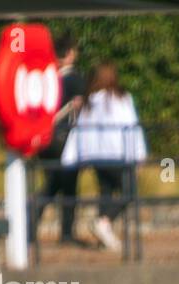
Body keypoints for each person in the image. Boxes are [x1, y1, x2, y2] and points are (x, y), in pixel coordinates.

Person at [60, 63, 147, 252]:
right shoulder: (122, 99)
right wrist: (139, 155)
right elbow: (131, 126)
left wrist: (75, 156)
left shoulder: (89, 101)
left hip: (95, 156)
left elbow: (79, 129)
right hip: (117, 154)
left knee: (106, 193)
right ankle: (104, 223)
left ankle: (103, 239)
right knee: (129, 191)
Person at [30, 33, 85, 244]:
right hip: (65, 139)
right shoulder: (75, 79)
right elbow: (79, 106)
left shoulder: (46, 79)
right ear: (70, 53)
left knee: (51, 183)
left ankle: (30, 225)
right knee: (68, 186)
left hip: (45, 139)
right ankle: (66, 233)